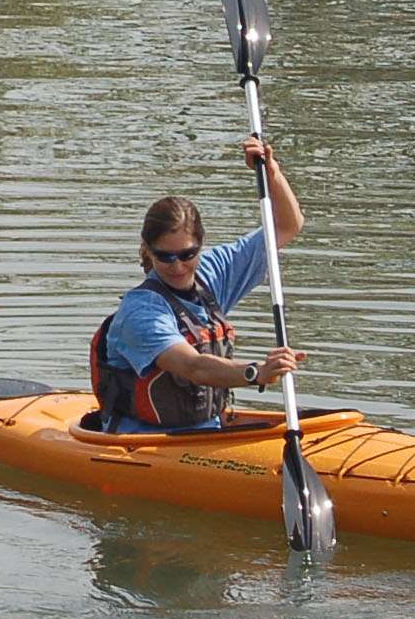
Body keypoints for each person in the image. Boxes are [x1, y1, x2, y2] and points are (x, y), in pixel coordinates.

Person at [89, 137, 305, 433]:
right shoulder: (141, 312)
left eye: (187, 254)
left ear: (200, 247)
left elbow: (286, 226)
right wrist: (258, 372)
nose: (177, 266)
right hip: (145, 440)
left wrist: (272, 174)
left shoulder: (213, 271)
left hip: (208, 429)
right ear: (148, 250)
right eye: (165, 256)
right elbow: (194, 367)